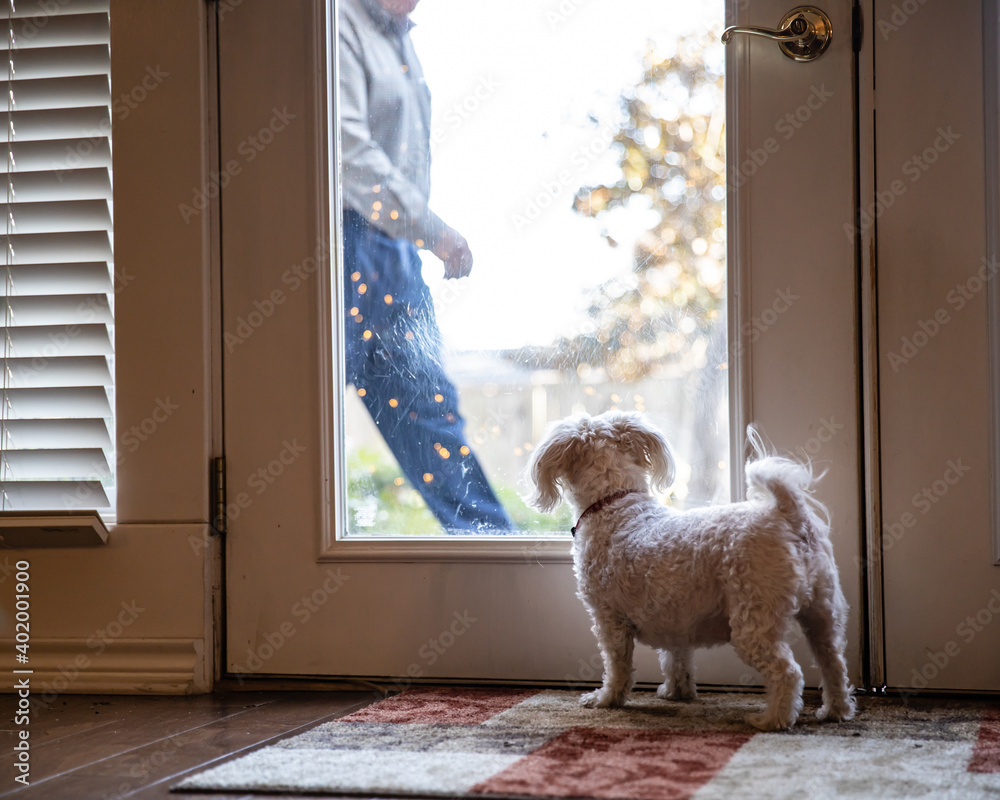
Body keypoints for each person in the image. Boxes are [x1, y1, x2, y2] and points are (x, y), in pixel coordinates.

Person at [338, 0, 513, 533]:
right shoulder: (334, 25)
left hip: (392, 246)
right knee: (308, 409)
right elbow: (348, 154)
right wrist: (432, 230)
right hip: (343, 236)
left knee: (427, 409)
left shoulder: (399, 37)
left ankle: (498, 554)